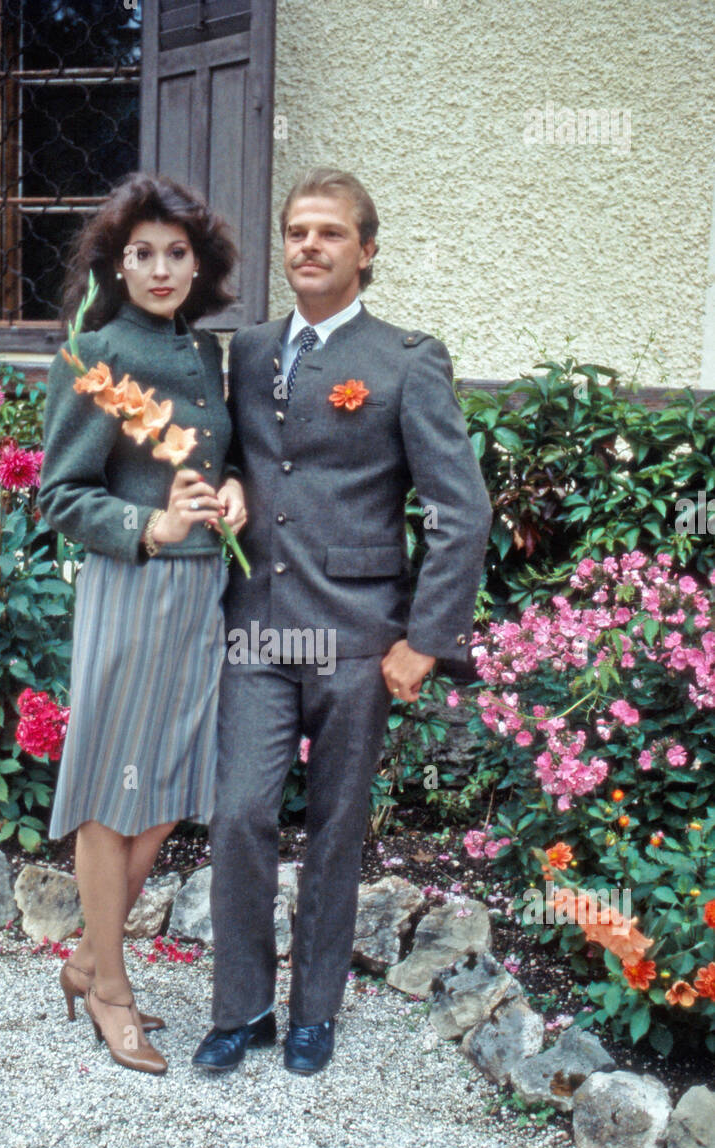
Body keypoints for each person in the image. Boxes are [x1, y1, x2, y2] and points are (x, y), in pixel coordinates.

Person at [193, 167, 493, 1076]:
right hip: (259, 631)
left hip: (358, 636)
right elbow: (237, 458)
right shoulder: (244, 352)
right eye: (295, 232)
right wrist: (234, 486)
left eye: (329, 233)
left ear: (366, 252)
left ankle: (314, 1011)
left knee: (335, 826)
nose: (308, 247)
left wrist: (424, 641)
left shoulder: (406, 360)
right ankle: (241, 1008)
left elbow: (461, 510)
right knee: (240, 814)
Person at [37, 172, 246, 1075]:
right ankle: (112, 987)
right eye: (142, 254)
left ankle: (89, 955)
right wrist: (148, 526)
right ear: (116, 265)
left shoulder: (205, 355)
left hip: (203, 594)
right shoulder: (95, 354)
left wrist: (234, 493)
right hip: (132, 588)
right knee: (109, 789)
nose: (161, 269)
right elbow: (61, 495)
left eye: (177, 253)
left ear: (198, 266)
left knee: (165, 781)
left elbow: (217, 459)